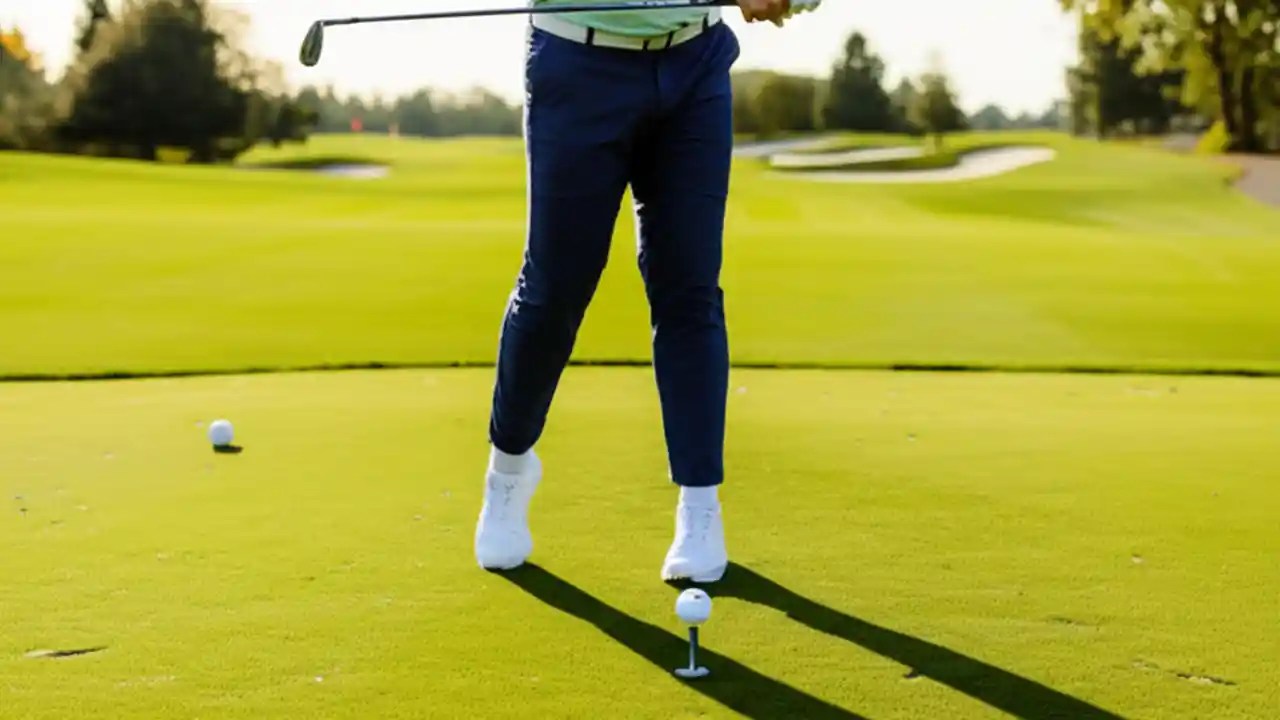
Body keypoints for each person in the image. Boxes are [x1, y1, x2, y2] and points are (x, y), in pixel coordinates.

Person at [474, 0, 822, 583]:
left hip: (694, 65)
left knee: (689, 287)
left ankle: (700, 509)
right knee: (555, 286)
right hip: (576, 63)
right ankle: (507, 473)